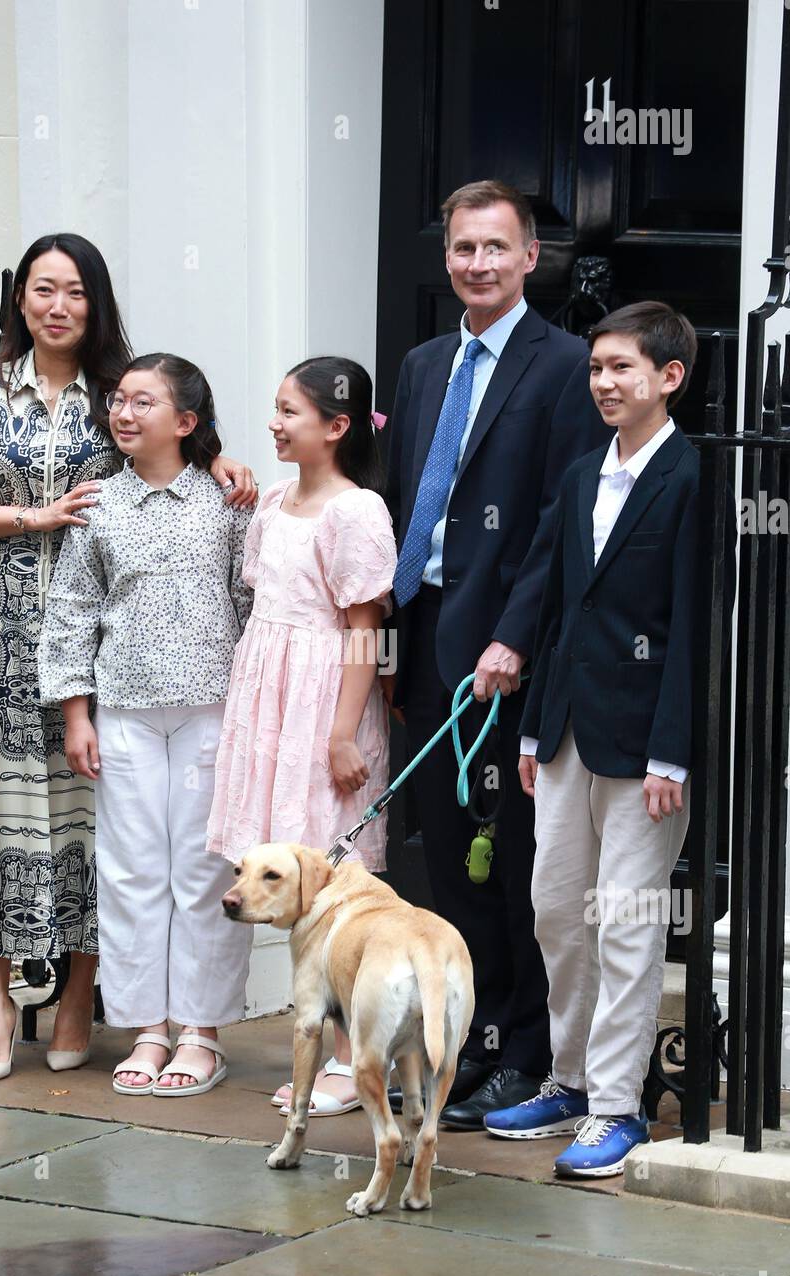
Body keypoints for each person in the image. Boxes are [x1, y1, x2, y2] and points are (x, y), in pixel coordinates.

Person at [0, 234, 255, 1085]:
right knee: (2, 822)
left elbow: (173, 448)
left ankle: (85, 998)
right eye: (42, 289)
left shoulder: (120, 394)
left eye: (74, 291)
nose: (57, 305)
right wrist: (37, 518)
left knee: (104, 828)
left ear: (94, 302)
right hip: (9, 633)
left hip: (123, 652)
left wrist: (220, 460)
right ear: (21, 301)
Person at [484, 300, 736, 1177]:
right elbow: (556, 607)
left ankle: (619, 1107)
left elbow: (699, 625)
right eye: (595, 368)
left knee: (625, 922)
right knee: (557, 910)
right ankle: (570, 1079)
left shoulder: (694, 478)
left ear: (669, 378)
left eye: (620, 368)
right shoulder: (583, 470)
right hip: (560, 732)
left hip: (643, 750)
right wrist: (529, 728)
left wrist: (673, 748)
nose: (602, 382)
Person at [384, 180, 611, 1129]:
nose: (474, 263)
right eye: (461, 248)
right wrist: (387, 641)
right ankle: (472, 1050)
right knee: (443, 854)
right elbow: (400, 506)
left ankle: (529, 1051)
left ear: (529, 258)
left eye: (493, 248)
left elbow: (559, 519)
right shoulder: (423, 361)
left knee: (511, 858)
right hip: (424, 632)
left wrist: (513, 635)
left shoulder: (563, 367)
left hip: (507, 647)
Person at [38, 354, 254, 1096]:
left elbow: (249, 604)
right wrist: (76, 714)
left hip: (210, 711)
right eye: (118, 400)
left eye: (143, 402)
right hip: (123, 712)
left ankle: (202, 1031)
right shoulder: (97, 505)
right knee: (130, 874)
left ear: (186, 422)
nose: (123, 414)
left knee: (204, 870)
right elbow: (70, 613)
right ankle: (147, 1029)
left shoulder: (226, 502)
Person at [207, 357, 397, 1116]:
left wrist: (344, 732)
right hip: (270, 696)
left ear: (336, 426)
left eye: (289, 412)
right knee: (283, 883)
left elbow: (364, 630)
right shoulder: (277, 501)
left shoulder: (356, 512)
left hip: (323, 701)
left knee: (331, 890)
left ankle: (354, 1061)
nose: (274, 424)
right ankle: (316, 1053)